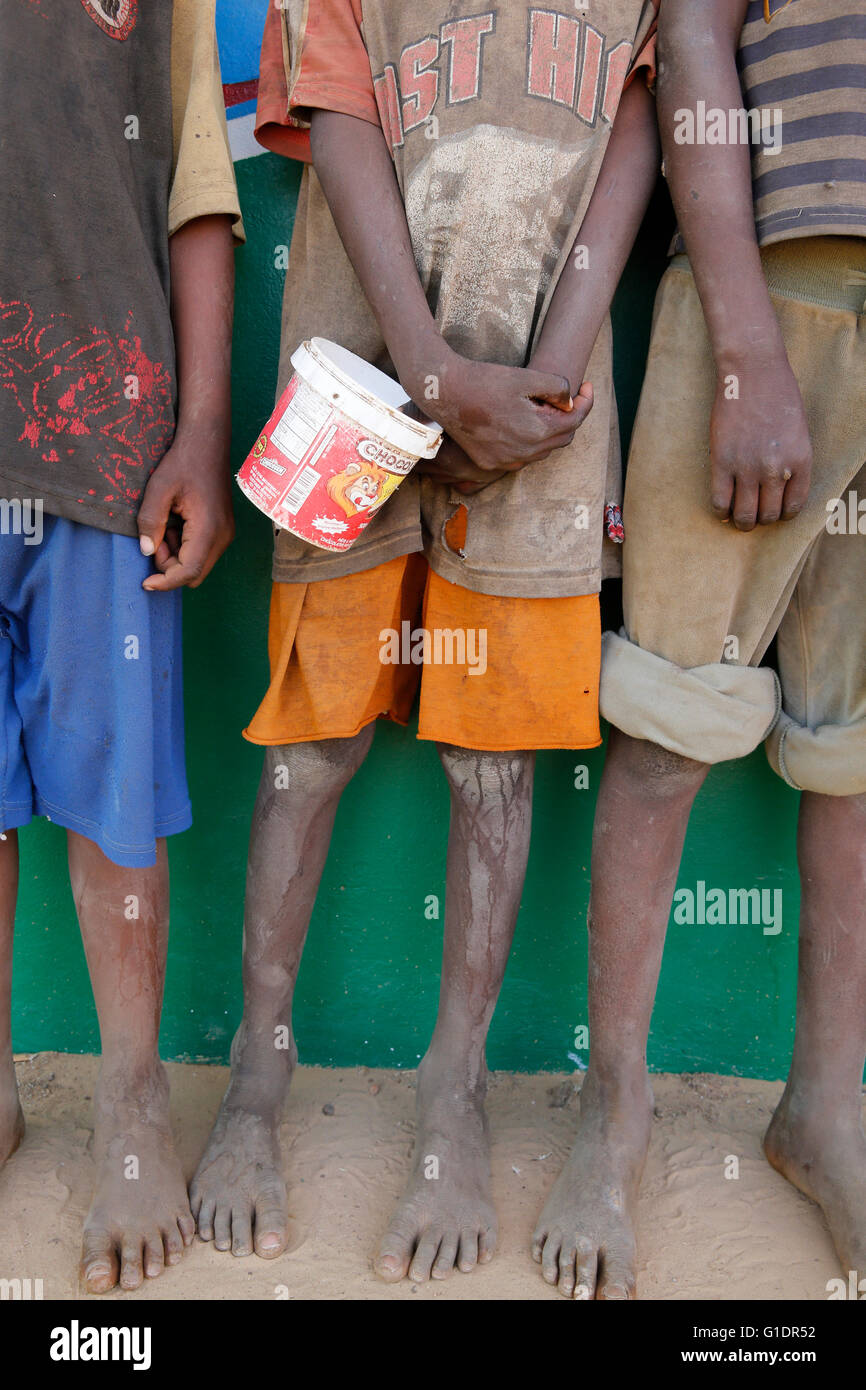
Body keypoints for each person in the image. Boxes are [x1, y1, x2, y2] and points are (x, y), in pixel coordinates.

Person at [191, 0, 660, 1285]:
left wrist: (552, 371)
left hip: (546, 408)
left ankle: (454, 1087)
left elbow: (639, 117)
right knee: (311, 743)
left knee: (491, 760)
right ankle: (254, 1075)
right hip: (360, 367)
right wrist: (429, 370)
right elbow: (334, 101)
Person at [537, 0, 866, 1299]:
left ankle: (823, 1104)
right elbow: (689, 47)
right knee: (668, 719)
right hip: (772, 290)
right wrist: (741, 348)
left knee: (852, 751)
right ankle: (612, 1102)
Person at [0, 0, 242, 1293]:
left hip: (105, 444)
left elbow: (199, 195)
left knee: (116, 801)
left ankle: (134, 1093)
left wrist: (200, 430)